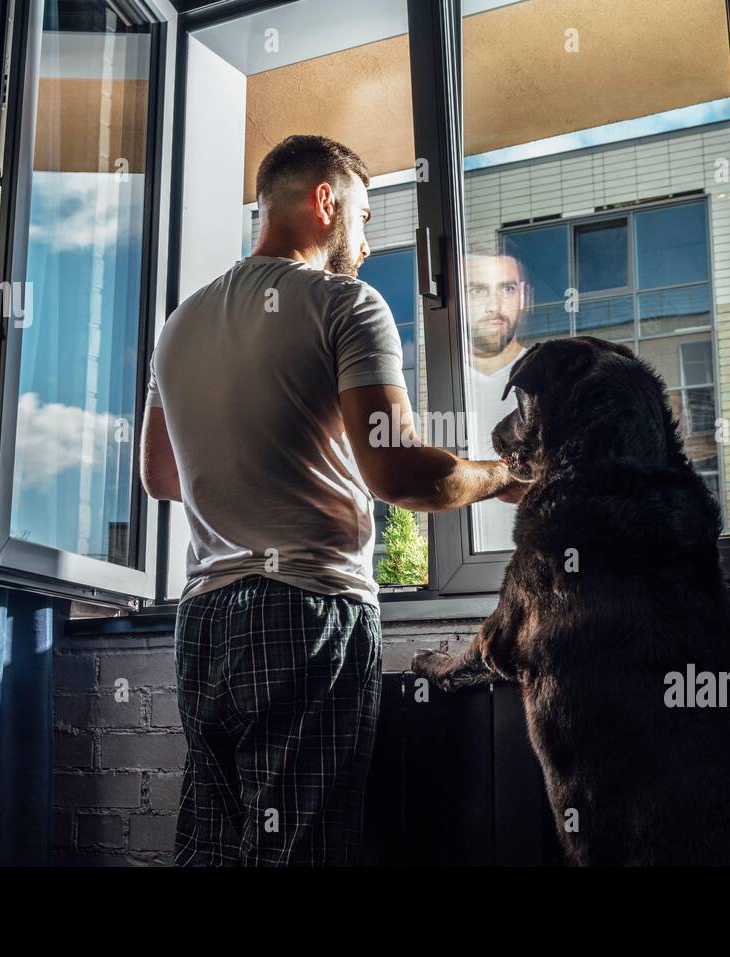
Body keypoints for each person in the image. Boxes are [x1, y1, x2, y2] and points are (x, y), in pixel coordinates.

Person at [139, 134, 531, 866]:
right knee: (303, 852)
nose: (369, 240)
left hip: (203, 624)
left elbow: (160, 475)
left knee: (215, 850)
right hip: (305, 610)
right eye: (366, 216)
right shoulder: (345, 303)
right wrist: (501, 476)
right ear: (326, 202)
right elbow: (399, 473)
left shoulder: (179, 323)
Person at [464, 252, 530, 552]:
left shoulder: (549, 383)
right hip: (459, 579)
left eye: (507, 289)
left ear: (524, 297)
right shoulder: (440, 386)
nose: (495, 306)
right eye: (477, 290)